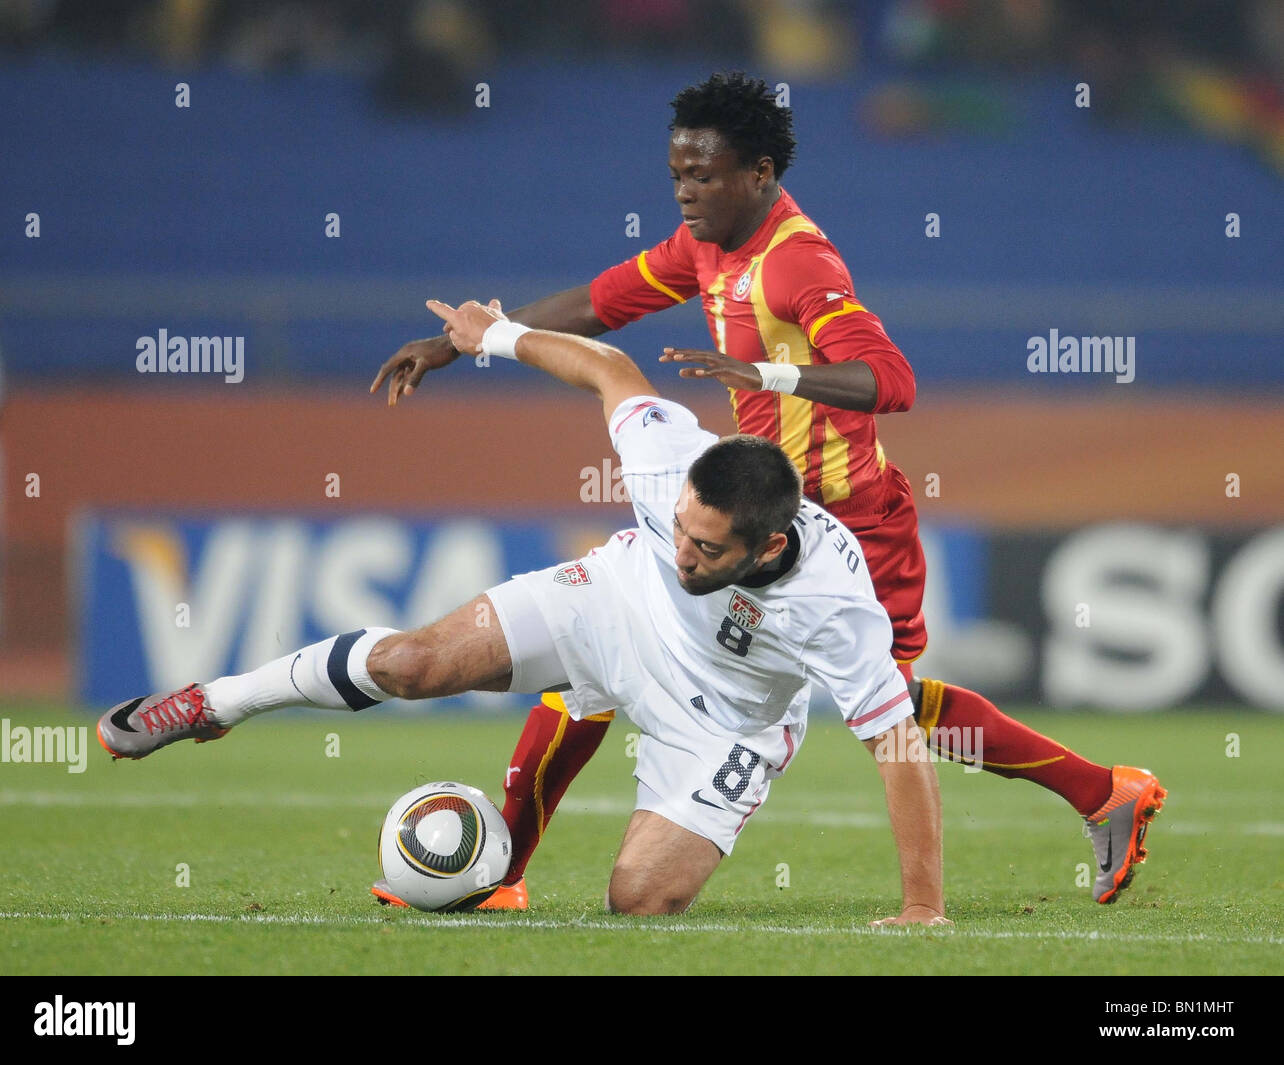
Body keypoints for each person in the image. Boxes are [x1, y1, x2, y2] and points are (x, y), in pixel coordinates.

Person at [371, 72, 1165, 910]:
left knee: (896, 710)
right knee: (593, 660)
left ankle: (1096, 795)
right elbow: (599, 305)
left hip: (849, 523)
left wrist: (765, 371)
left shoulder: (796, 264)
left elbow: (893, 380)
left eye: (702, 176)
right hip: (759, 510)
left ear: (758, 173)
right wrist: (475, 339)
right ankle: (505, 872)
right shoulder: (705, 246)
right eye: (676, 173)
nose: (683, 192)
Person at [98, 298, 951, 926]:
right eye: (682, 530)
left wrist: (922, 906)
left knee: (640, 901)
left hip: (725, 719)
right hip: (616, 605)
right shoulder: (668, 463)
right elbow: (608, 368)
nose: (685, 550)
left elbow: (897, 742)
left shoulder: (836, 605)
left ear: (767, 548)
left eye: (706, 550)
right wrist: (490, 337)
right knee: (409, 664)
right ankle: (213, 704)